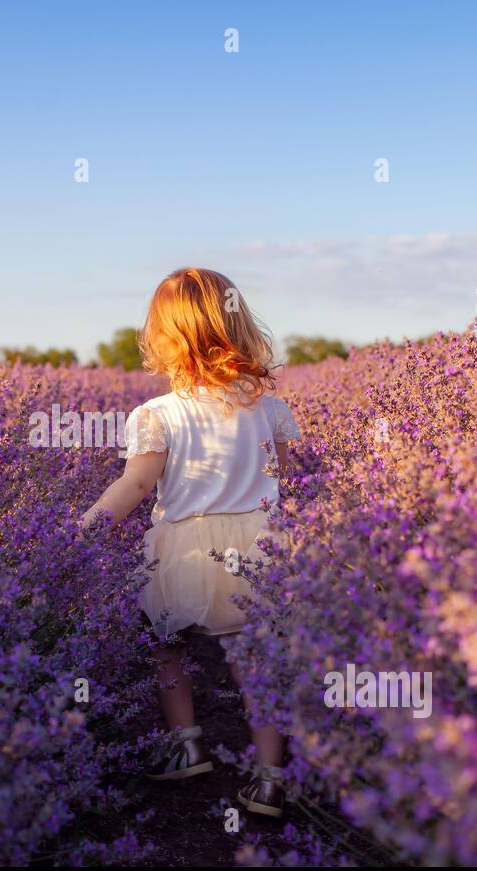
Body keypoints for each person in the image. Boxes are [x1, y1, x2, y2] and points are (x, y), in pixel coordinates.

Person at [81, 268, 300, 817]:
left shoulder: (159, 415)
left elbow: (134, 485)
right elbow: (290, 484)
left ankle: (187, 745)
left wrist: (79, 533)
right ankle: (270, 777)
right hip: (259, 549)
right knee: (258, 660)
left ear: (163, 337)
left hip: (183, 551)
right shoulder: (269, 409)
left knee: (167, 644)